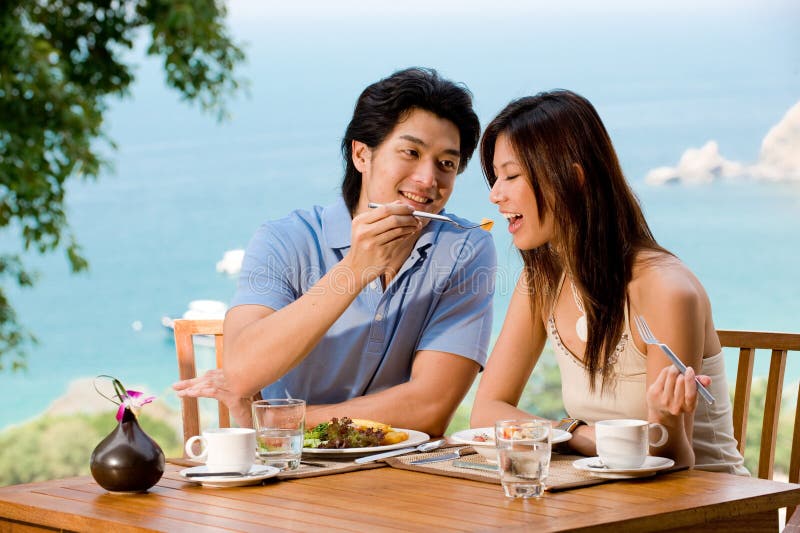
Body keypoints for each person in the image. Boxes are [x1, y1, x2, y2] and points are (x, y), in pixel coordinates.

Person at [174, 67, 495, 436]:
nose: (428, 179)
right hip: (291, 468)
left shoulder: (465, 248)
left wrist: (280, 420)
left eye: (447, 164)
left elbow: (430, 408)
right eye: (410, 152)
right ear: (362, 154)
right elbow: (242, 372)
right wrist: (356, 269)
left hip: (400, 471)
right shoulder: (285, 239)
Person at [470, 90, 746, 474]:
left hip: (706, 507)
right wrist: (578, 433)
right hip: (606, 497)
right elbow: (486, 412)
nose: (495, 195)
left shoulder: (665, 290)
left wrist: (663, 424)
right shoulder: (541, 282)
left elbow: (673, 463)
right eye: (496, 177)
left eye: (511, 176)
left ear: (573, 178)